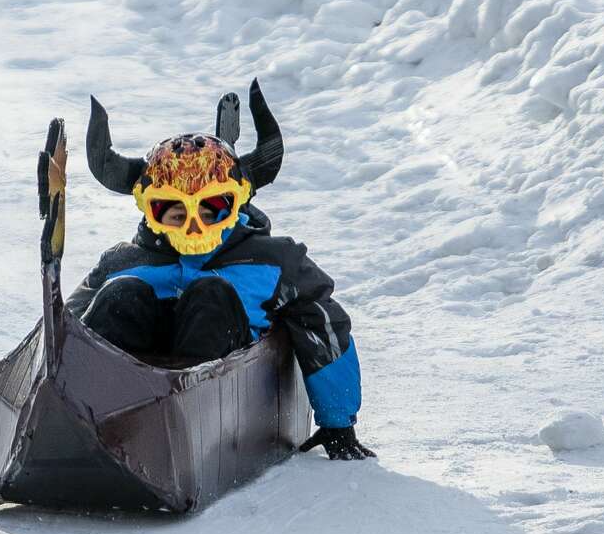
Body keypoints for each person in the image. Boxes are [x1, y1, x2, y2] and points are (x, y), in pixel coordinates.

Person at [64, 81, 374, 461]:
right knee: (121, 293)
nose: (194, 226)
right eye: (175, 212)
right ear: (151, 211)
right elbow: (65, 330)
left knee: (210, 295)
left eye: (211, 210)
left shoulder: (271, 260)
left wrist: (338, 421)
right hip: (128, 394)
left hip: (219, 391)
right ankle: (86, 422)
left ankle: (184, 427)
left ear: (236, 203)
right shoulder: (124, 261)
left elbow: (322, 323)